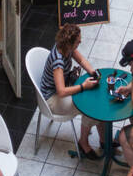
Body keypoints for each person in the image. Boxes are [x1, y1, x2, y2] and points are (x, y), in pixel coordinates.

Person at [39, 22, 105, 159]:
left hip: (62, 88)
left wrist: (93, 73)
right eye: (78, 42)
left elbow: (81, 59)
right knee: (89, 108)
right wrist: (83, 87)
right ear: (69, 43)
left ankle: (104, 140)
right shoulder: (58, 61)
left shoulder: (66, 47)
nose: (80, 42)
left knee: (95, 99)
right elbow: (61, 91)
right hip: (52, 98)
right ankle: (83, 143)